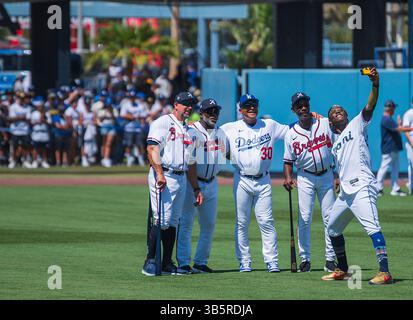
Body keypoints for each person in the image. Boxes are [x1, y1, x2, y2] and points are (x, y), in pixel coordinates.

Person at [322, 68, 394, 285]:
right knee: (333, 228)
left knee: (373, 227)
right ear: (331, 123)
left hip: (362, 186)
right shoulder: (335, 143)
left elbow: (371, 104)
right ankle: (342, 269)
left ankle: (385, 272)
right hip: (345, 193)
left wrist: (375, 84)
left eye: (340, 109)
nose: (337, 111)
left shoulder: (357, 123)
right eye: (333, 112)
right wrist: (337, 178)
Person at [220, 94, 289, 273]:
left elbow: (292, 132)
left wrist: (312, 119)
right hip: (242, 179)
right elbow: (208, 135)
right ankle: (244, 261)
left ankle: (272, 260)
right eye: (247, 106)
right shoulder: (230, 128)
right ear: (240, 110)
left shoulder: (269, 125)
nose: (251, 109)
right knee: (242, 223)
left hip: (264, 179)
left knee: (266, 221)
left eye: (254, 105)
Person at [142, 91, 203, 276]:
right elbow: (152, 148)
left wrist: (196, 187)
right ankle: (150, 261)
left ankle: (167, 262)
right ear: (176, 104)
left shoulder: (190, 130)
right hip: (164, 175)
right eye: (185, 103)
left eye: (191, 104)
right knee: (161, 220)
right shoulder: (163, 122)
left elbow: (191, 163)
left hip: (181, 177)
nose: (189, 107)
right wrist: (160, 174)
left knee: (174, 221)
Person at [283, 92, 337, 273]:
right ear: (294, 110)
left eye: (305, 104)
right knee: (304, 218)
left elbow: (337, 147)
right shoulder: (291, 133)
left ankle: (330, 259)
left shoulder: (323, 123)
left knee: (330, 217)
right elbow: (288, 161)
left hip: (327, 175)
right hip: (305, 177)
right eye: (299, 105)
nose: (303, 107)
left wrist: (337, 173)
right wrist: (288, 177)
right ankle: (305, 259)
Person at [176, 98, 226, 274]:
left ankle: (200, 262)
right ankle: (183, 263)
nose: (213, 114)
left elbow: (224, 156)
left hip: (212, 183)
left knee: (209, 225)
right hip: (192, 184)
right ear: (202, 113)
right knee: (187, 224)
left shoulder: (221, 132)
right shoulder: (192, 131)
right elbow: (190, 162)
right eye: (210, 111)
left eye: (216, 111)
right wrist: (196, 188)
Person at [376, 100, 412, 196]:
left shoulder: (389, 119)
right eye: (393, 107)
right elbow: (399, 129)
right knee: (384, 168)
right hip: (389, 148)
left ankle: (395, 189)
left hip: (393, 148)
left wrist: (399, 124)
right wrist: (410, 128)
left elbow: (397, 129)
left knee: (395, 168)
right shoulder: (386, 119)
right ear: (390, 108)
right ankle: (378, 188)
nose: (394, 109)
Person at [8, 91, 32, 169]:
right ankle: (13, 161)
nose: (21, 100)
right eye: (20, 98)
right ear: (17, 98)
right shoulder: (13, 107)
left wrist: (18, 118)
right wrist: (22, 117)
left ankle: (25, 161)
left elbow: (28, 119)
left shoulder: (27, 107)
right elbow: (11, 119)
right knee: (14, 147)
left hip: (25, 130)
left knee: (25, 147)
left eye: (23, 98)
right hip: (15, 130)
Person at [30, 97, 51, 168]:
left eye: (42, 106)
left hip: (44, 132)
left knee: (44, 148)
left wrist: (44, 119)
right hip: (36, 133)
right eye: (39, 106)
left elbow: (50, 123)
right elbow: (32, 123)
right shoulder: (34, 113)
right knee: (36, 148)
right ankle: (35, 161)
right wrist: (38, 121)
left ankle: (44, 161)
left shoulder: (47, 113)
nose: (40, 107)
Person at [97, 97, 118, 167]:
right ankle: (102, 158)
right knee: (103, 143)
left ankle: (106, 158)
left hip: (111, 126)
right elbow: (99, 118)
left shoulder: (114, 109)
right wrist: (105, 112)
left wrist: (110, 112)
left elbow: (116, 117)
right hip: (104, 126)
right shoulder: (102, 110)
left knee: (109, 143)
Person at [402, 98, 413, 195]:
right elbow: (405, 129)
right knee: (411, 164)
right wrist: (411, 141)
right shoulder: (409, 113)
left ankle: (411, 185)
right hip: (411, 141)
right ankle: (411, 187)